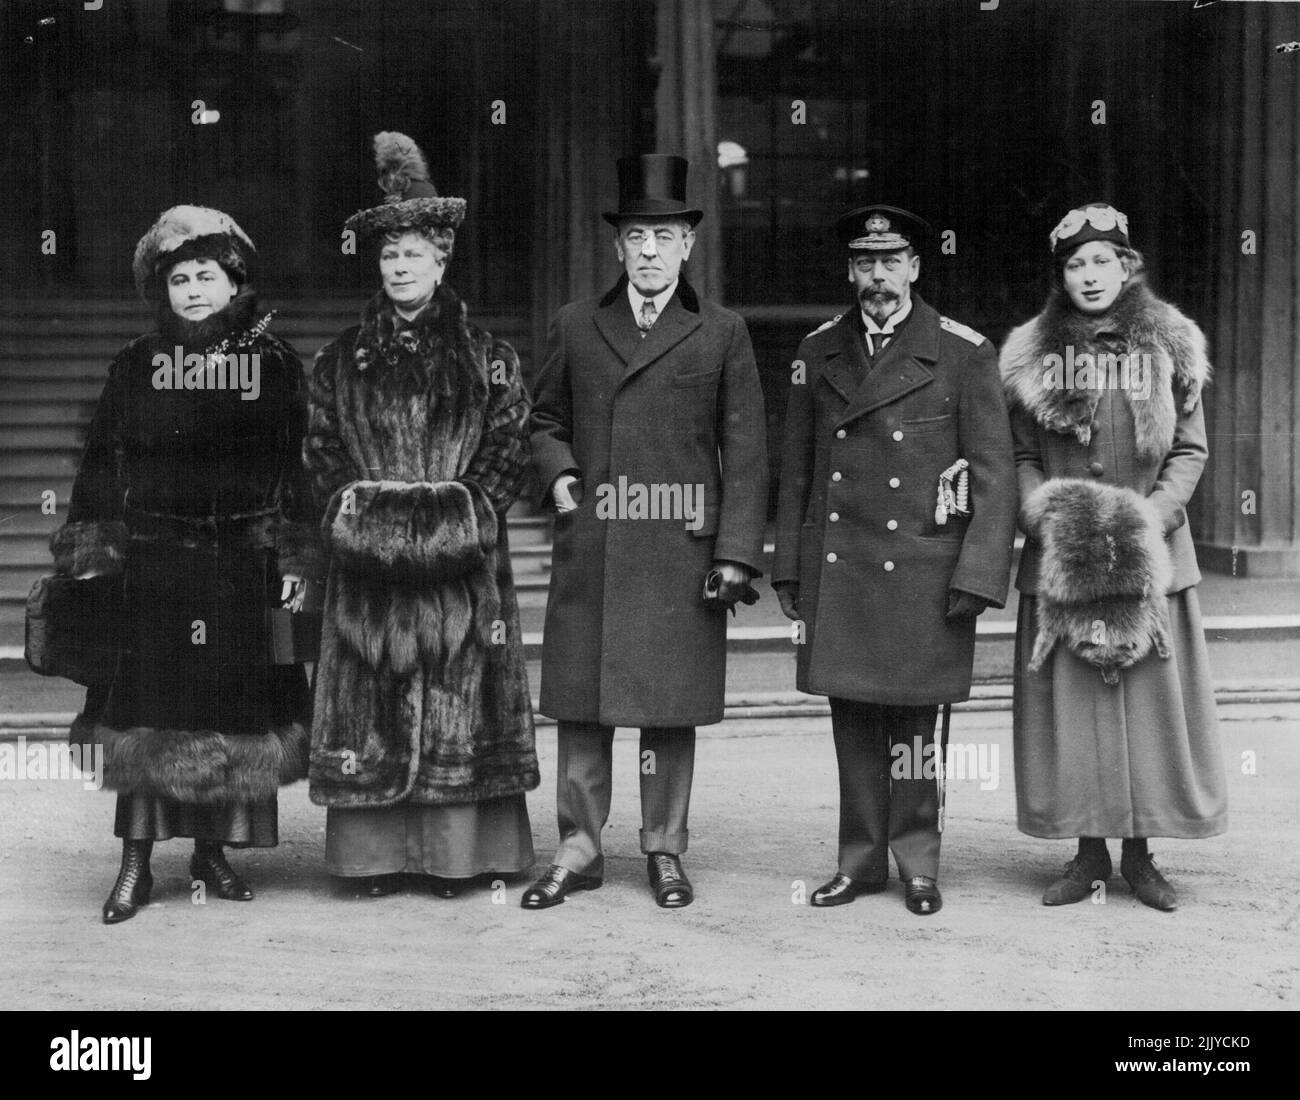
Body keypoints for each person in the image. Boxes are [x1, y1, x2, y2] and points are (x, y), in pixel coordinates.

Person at [52, 205, 318, 924]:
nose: (194, 288)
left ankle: (213, 854)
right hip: (156, 568)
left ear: (235, 283)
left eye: (207, 274)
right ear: (161, 290)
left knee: (234, 713)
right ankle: (136, 862)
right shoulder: (136, 366)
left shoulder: (275, 365)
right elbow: (101, 466)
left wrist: (296, 552)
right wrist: (98, 552)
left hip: (243, 567)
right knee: (148, 716)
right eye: (179, 278)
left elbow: (297, 469)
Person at [525, 153, 768, 910]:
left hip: (678, 551)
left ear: (688, 246)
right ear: (619, 247)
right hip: (595, 542)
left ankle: (664, 848)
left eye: (666, 236)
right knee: (583, 708)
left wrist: (734, 552)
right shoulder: (577, 324)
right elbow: (542, 418)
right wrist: (560, 473)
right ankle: (579, 848)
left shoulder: (721, 332)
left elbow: (749, 452)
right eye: (638, 237)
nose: (652, 251)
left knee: (666, 708)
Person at [304, 132, 538, 899]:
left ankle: (455, 859)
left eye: (414, 254)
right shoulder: (337, 361)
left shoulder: (489, 358)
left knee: (457, 710)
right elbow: (323, 459)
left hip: (464, 582)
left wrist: (450, 524)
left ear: (442, 261)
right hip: (365, 579)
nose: (400, 267)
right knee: (371, 706)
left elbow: (505, 456)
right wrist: (369, 526)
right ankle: (372, 861)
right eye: (388, 255)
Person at [772, 205, 1017, 916]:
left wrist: (976, 574)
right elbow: (798, 473)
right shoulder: (817, 351)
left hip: (924, 569)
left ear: (915, 266)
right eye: (865, 262)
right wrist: (789, 569)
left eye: (891, 261)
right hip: (843, 567)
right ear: (851, 271)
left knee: (916, 729)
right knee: (851, 721)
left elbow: (995, 476)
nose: (878, 276)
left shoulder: (963, 351)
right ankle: (858, 862)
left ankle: (918, 862)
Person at [1000, 202, 1226, 911]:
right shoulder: (1032, 355)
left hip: (1152, 557)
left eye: (1102, 261)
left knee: (1148, 708)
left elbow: (1189, 450)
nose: (1089, 276)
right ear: (1060, 276)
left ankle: (1142, 856)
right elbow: (1020, 457)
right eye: (1074, 264)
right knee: (1076, 713)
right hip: (1065, 556)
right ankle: (1087, 855)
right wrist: (1052, 518)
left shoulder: (1172, 345)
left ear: (1127, 267)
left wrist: (1147, 522)